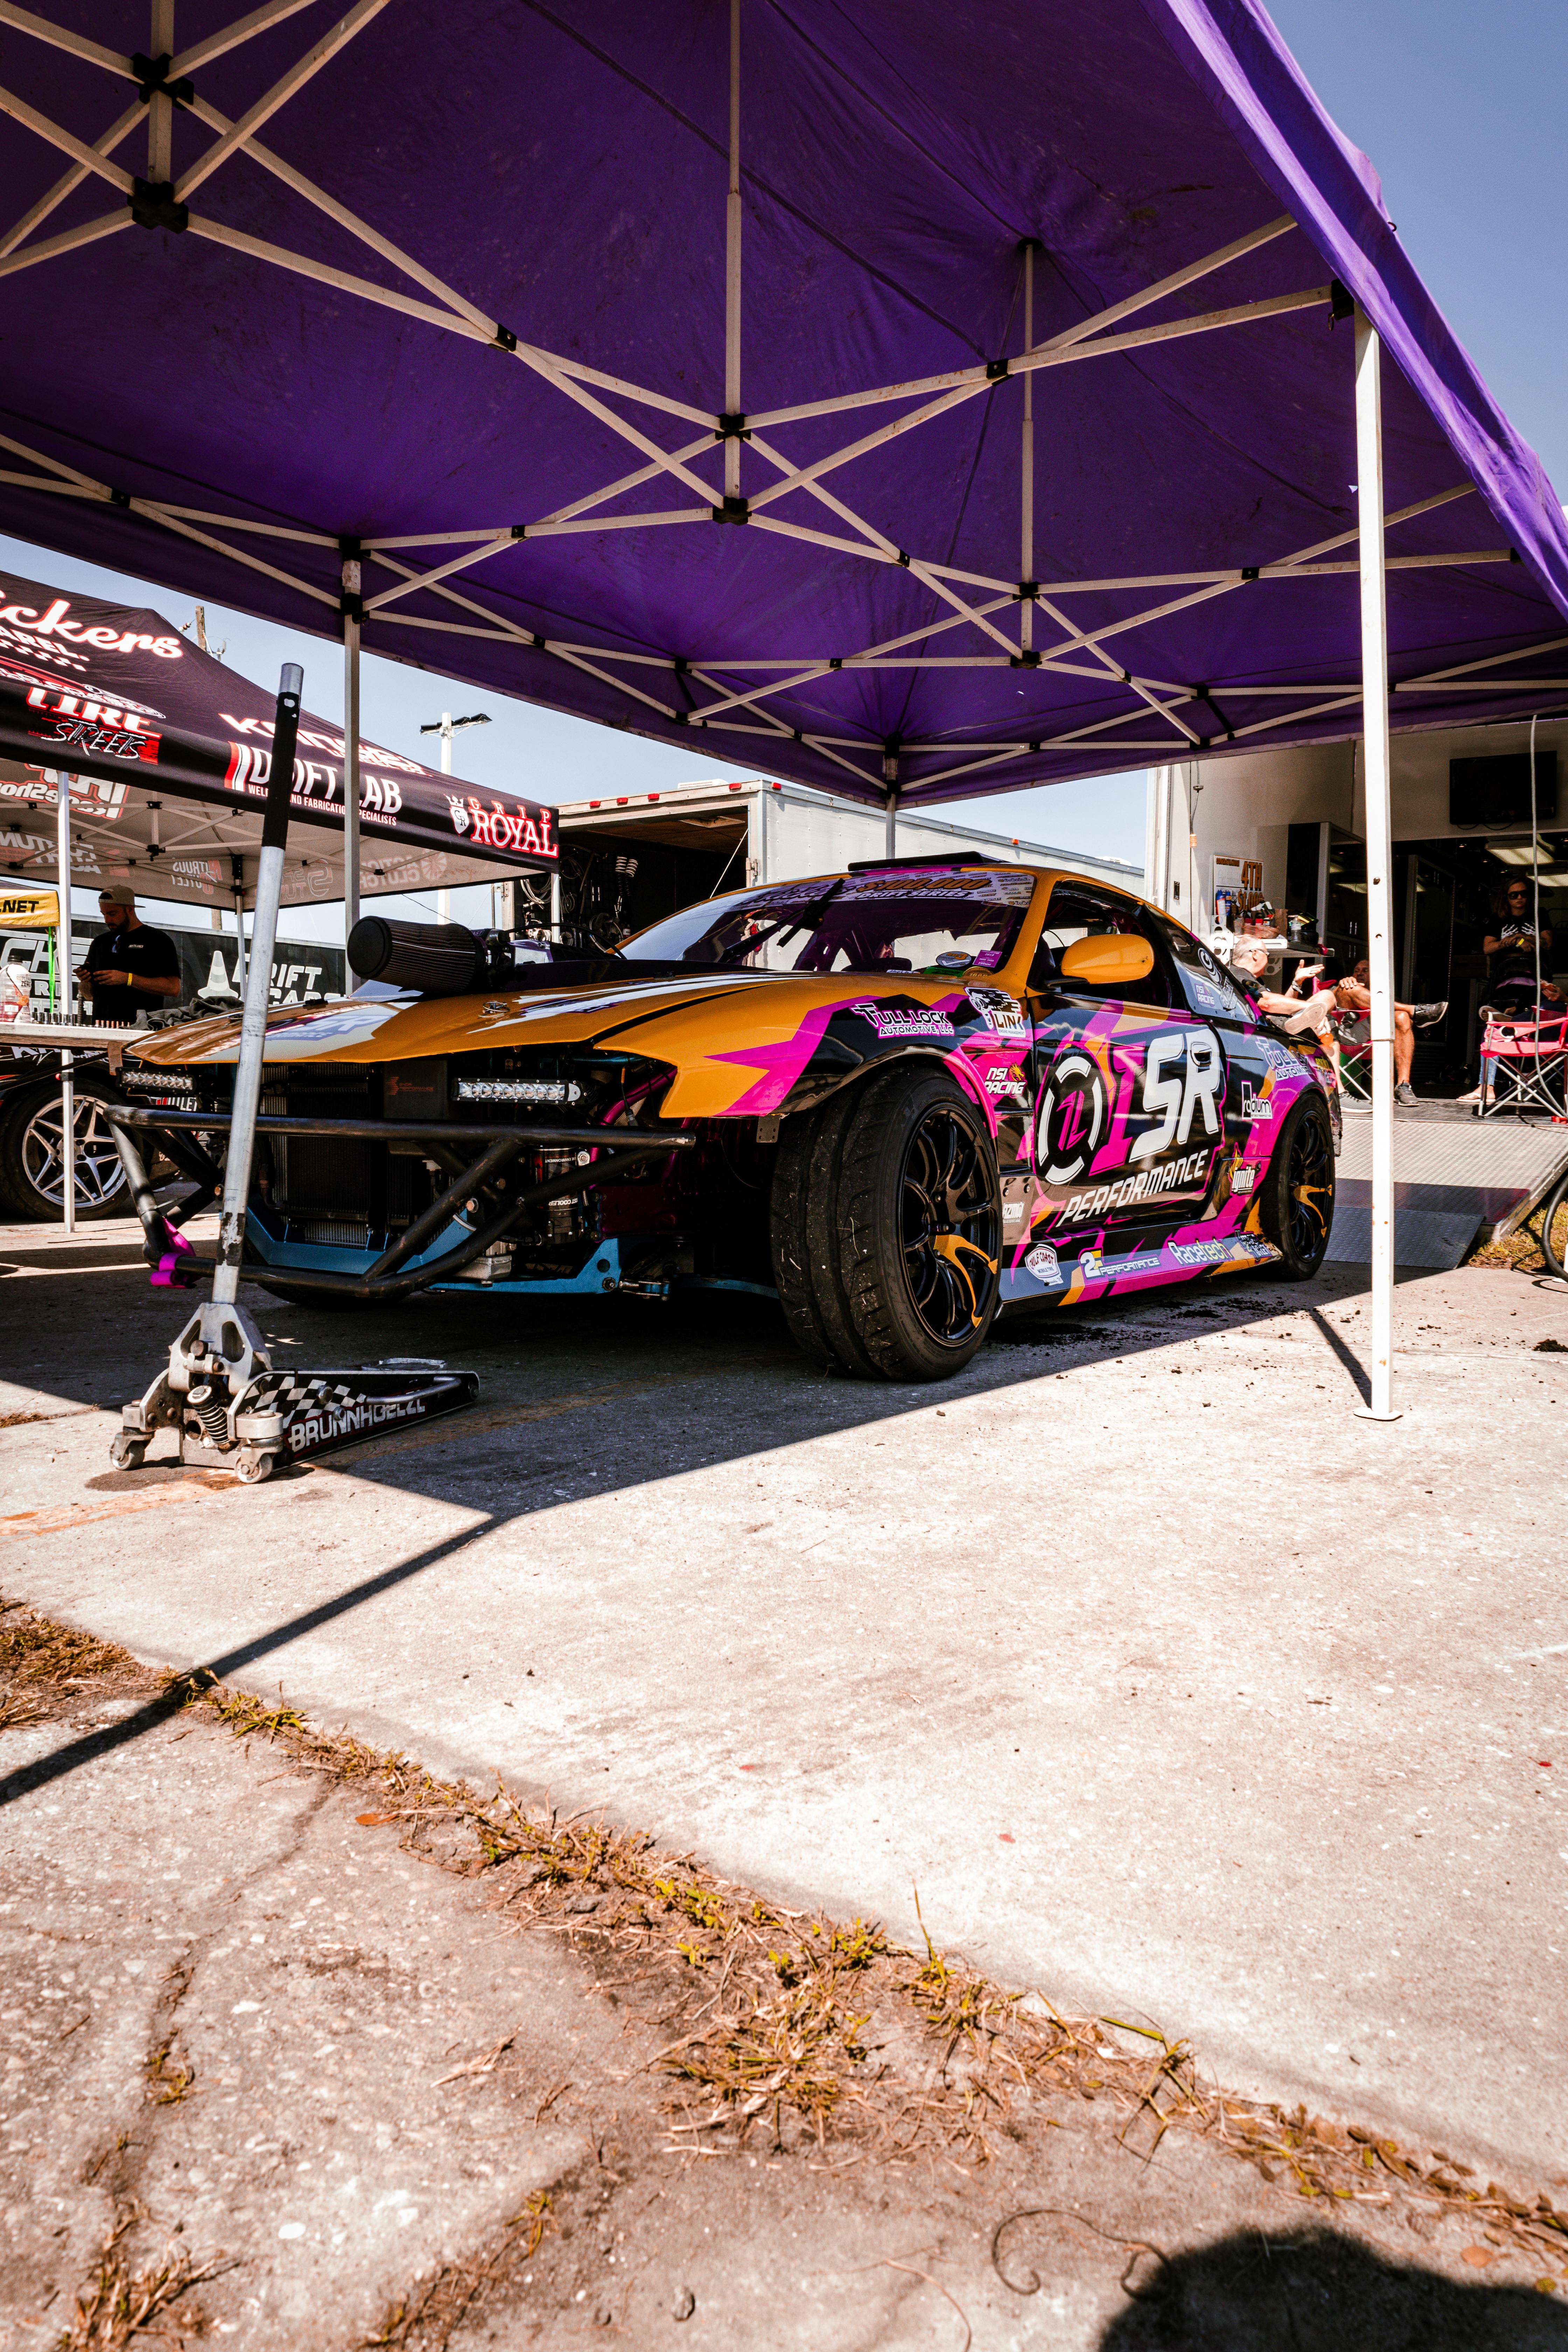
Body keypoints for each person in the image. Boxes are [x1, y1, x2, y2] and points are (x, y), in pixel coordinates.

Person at [1329, 960, 1447, 1107]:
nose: (1359, 973)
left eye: (1366, 971)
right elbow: (1327, 998)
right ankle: (1416, 1011)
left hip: (1380, 1042)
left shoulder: (1385, 994)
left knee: (1402, 1017)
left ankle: (1403, 1086)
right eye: (1357, 970)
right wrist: (1340, 987)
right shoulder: (1344, 986)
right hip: (1349, 1039)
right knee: (1349, 989)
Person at [1227, 939, 1339, 1079]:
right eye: (1266, 954)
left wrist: (1296, 983)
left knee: (1326, 996)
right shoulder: (1238, 976)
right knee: (1328, 1024)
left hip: (1271, 1023)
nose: (1268, 959)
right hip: (1263, 1031)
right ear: (1255, 954)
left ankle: (1296, 1022)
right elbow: (1266, 1002)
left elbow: (1280, 1007)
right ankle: (1339, 1090)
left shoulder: (1249, 978)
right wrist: (1310, 1007)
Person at [80, 885, 182, 1026]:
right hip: (103, 1027)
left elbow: (173, 988)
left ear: (130, 909)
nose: (107, 920)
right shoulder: (100, 942)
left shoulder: (157, 940)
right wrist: (85, 981)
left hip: (142, 1029)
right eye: (104, 914)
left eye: (113, 914)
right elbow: (89, 994)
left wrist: (128, 979)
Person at [1483, 880, 1563, 1017]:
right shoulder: (1498, 918)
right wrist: (1519, 941)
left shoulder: (1540, 914)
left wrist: (1519, 937)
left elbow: (1547, 943)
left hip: (1535, 967)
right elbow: (1488, 948)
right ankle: (1507, 1013)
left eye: (1523, 894)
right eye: (1514, 895)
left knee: (1533, 991)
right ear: (1506, 897)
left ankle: (1513, 1013)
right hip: (1505, 969)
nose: (1519, 898)